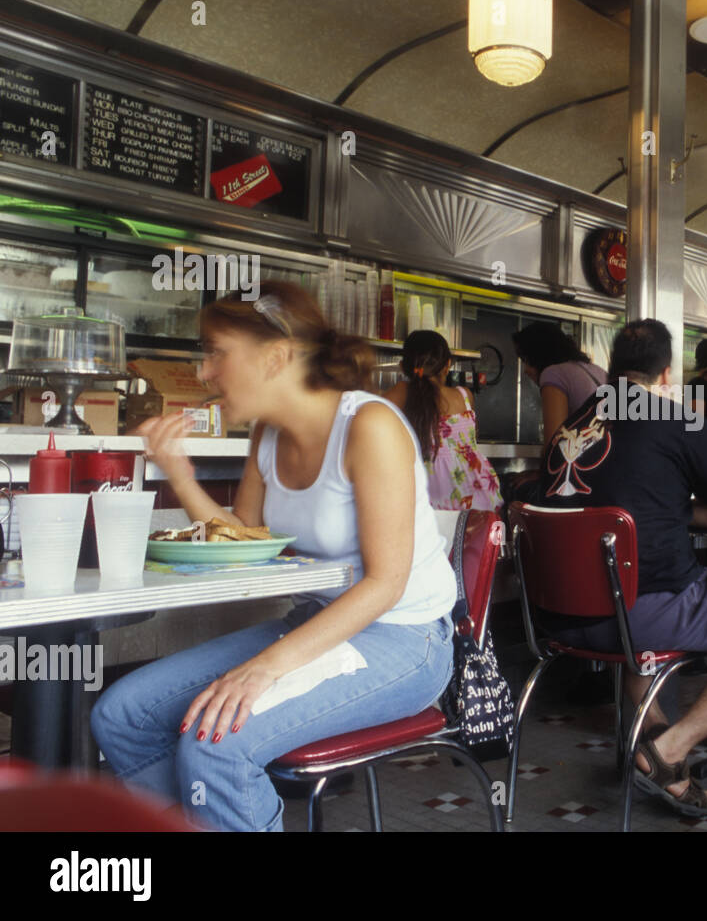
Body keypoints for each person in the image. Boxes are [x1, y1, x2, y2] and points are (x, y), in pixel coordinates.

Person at [91, 282, 458, 832]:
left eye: (217, 351)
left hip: (405, 638)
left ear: (276, 356)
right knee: (122, 716)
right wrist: (180, 472)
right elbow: (246, 540)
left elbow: (386, 583)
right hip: (315, 625)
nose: (205, 371)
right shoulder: (267, 433)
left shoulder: (369, 426)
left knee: (215, 746)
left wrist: (264, 669)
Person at [536, 319, 707, 817]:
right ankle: (666, 752)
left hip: (563, 618)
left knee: (645, 647)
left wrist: (669, 511)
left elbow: (598, 508)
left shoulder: (569, 427)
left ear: (611, 370)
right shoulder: (674, 417)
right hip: (644, 609)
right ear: (664, 376)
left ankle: (656, 756)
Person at [383, 330, 502, 511]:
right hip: (475, 493)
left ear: (402, 366)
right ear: (447, 365)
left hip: (428, 494)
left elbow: (368, 422)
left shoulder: (401, 392)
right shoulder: (465, 395)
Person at [512, 321, 606, 447]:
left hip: (589, 464)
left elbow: (553, 444)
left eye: (526, 360)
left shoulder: (554, 374)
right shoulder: (598, 371)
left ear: (539, 355)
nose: (526, 370)